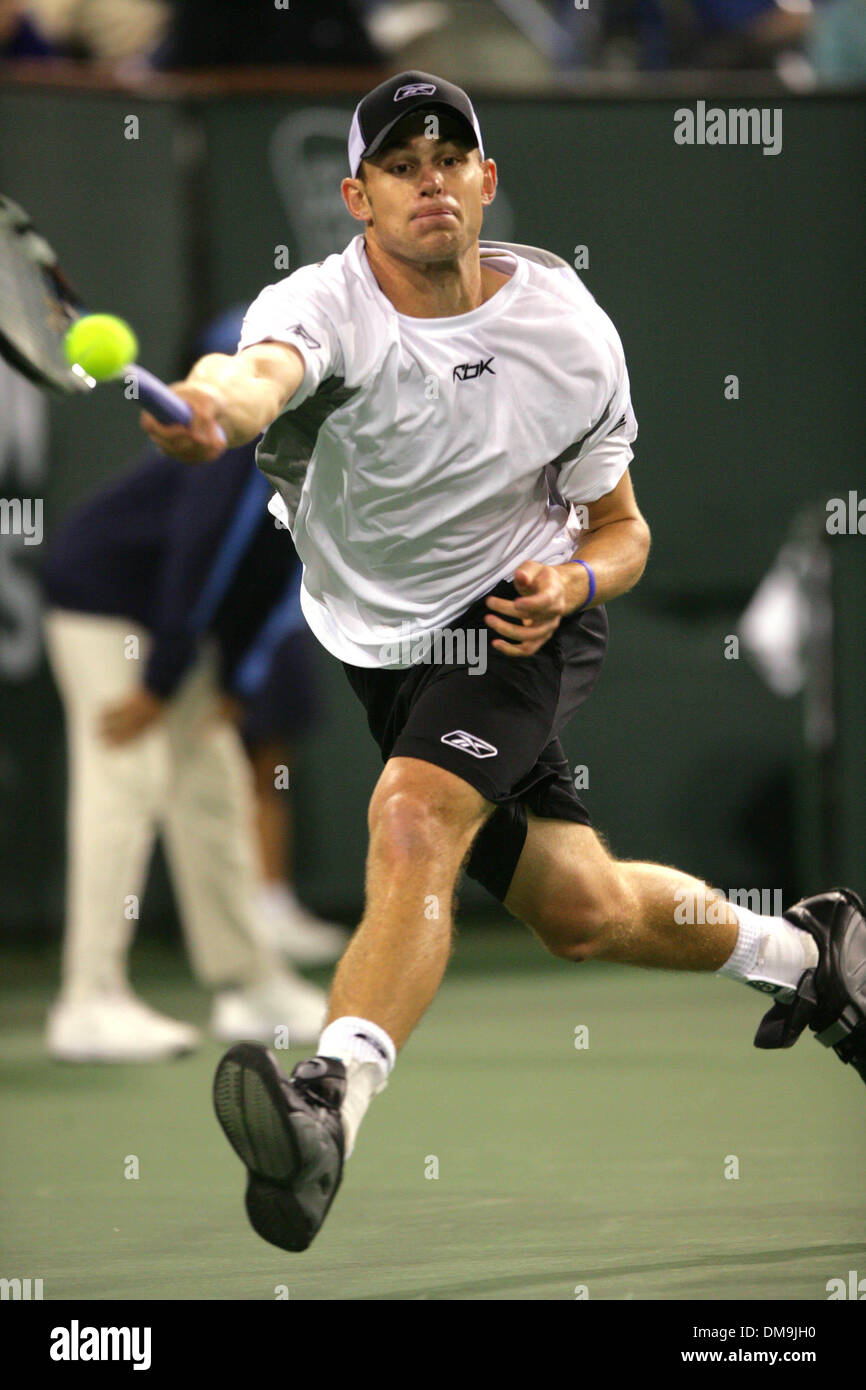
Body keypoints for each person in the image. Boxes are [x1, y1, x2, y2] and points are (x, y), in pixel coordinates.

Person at [141, 70, 866, 1252]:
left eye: (448, 158)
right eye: (399, 164)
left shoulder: (566, 334)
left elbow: (620, 530)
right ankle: (810, 953)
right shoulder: (319, 307)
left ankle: (330, 1099)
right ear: (357, 195)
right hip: (380, 645)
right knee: (579, 911)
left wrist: (573, 581)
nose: (428, 180)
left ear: (485, 180)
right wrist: (211, 408)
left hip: (514, 616)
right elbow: (250, 376)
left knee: (411, 820)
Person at [42, 400, 330, 1062]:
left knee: (214, 783)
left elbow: (280, 572)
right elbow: (198, 556)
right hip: (104, 598)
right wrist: (158, 686)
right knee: (126, 777)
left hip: (174, 628)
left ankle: (249, 984)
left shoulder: (340, 460)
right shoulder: (250, 445)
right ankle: (88, 1000)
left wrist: (235, 682)